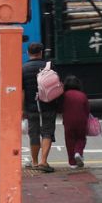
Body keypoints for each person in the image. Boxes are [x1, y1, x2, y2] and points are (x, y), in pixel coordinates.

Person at [23, 44, 62, 172]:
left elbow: (22, 91)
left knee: (33, 134)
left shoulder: (23, 68)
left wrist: (22, 109)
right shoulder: (49, 66)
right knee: (47, 132)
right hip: (48, 104)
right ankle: (43, 161)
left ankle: (34, 162)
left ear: (28, 52)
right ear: (41, 52)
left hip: (31, 106)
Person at [60, 75, 90, 169]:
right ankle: (78, 152)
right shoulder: (82, 95)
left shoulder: (64, 95)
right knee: (81, 138)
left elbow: (60, 108)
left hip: (68, 121)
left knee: (69, 140)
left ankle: (72, 163)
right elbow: (87, 109)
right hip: (81, 120)